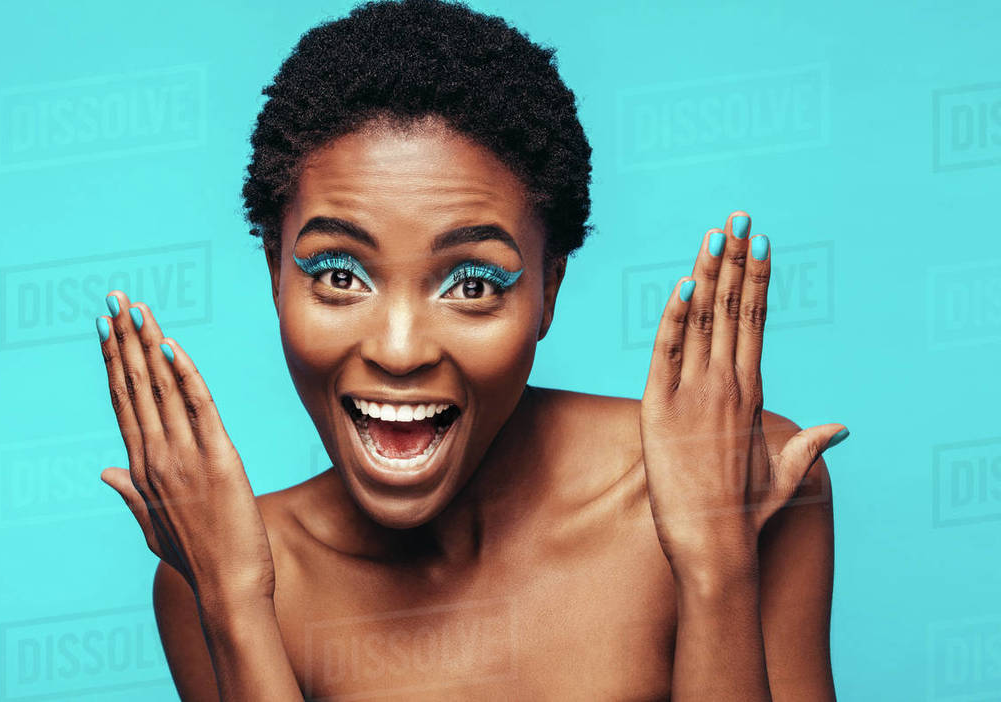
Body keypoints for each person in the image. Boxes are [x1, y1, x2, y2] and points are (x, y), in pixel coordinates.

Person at [94, 0, 847, 699]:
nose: (399, 349)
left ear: (548, 290)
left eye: (473, 284)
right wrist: (232, 604)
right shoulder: (221, 569)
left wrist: (715, 568)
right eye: (338, 274)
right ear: (274, 274)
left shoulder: (743, 478)